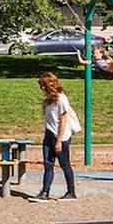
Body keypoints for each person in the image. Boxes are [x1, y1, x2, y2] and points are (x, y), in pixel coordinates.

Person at [35, 72, 76, 201]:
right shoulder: (48, 101)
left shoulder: (61, 99)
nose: (41, 88)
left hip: (61, 136)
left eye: (43, 85)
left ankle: (71, 191)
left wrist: (59, 140)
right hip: (49, 133)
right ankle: (45, 192)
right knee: (48, 163)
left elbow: (63, 120)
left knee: (65, 164)